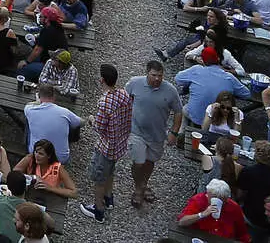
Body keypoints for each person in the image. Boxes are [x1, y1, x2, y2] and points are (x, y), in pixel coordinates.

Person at [77, 62, 131, 222]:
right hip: (120, 143)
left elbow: (99, 128)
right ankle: (109, 198)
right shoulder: (124, 94)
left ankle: (98, 210)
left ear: (102, 80)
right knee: (110, 172)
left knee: (99, 177)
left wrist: (92, 119)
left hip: (106, 147)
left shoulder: (105, 102)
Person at [126, 59, 183, 209]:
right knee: (138, 162)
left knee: (150, 162)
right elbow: (125, 100)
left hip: (157, 135)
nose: (157, 78)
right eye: (154, 75)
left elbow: (178, 111)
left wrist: (174, 132)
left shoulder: (170, 90)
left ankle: (144, 183)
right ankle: (139, 188)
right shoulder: (134, 83)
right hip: (136, 132)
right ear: (147, 73)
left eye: (160, 75)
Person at [177, 178, 250, 242]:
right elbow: (182, 222)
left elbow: (242, 234)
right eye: (214, 198)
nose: (218, 201)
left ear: (227, 198)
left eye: (222, 199)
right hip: (201, 239)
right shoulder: (198, 200)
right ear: (207, 194)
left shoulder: (234, 208)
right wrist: (202, 214)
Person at [23, 82, 81, 161]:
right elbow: (79, 122)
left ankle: (28, 150)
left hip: (36, 154)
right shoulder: (65, 112)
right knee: (68, 123)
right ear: (54, 97)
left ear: (39, 97)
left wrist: (38, 102)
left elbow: (28, 104)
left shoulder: (29, 109)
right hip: (61, 158)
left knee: (28, 121)